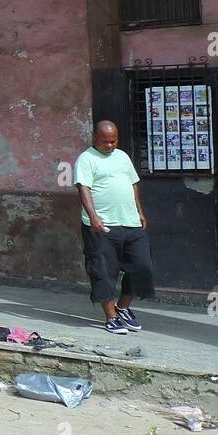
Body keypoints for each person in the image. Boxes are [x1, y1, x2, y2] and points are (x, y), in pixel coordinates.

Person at [74, 120, 154, 334]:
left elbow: (133, 184)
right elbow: (84, 188)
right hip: (102, 226)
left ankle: (123, 307)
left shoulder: (122, 157)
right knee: (103, 272)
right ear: (94, 138)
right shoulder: (86, 159)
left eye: (113, 141)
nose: (110, 145)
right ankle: (110, 317)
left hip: (131, 223)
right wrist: (94, 217)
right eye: (105, 141)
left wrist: (140, 211)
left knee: (142, 266)